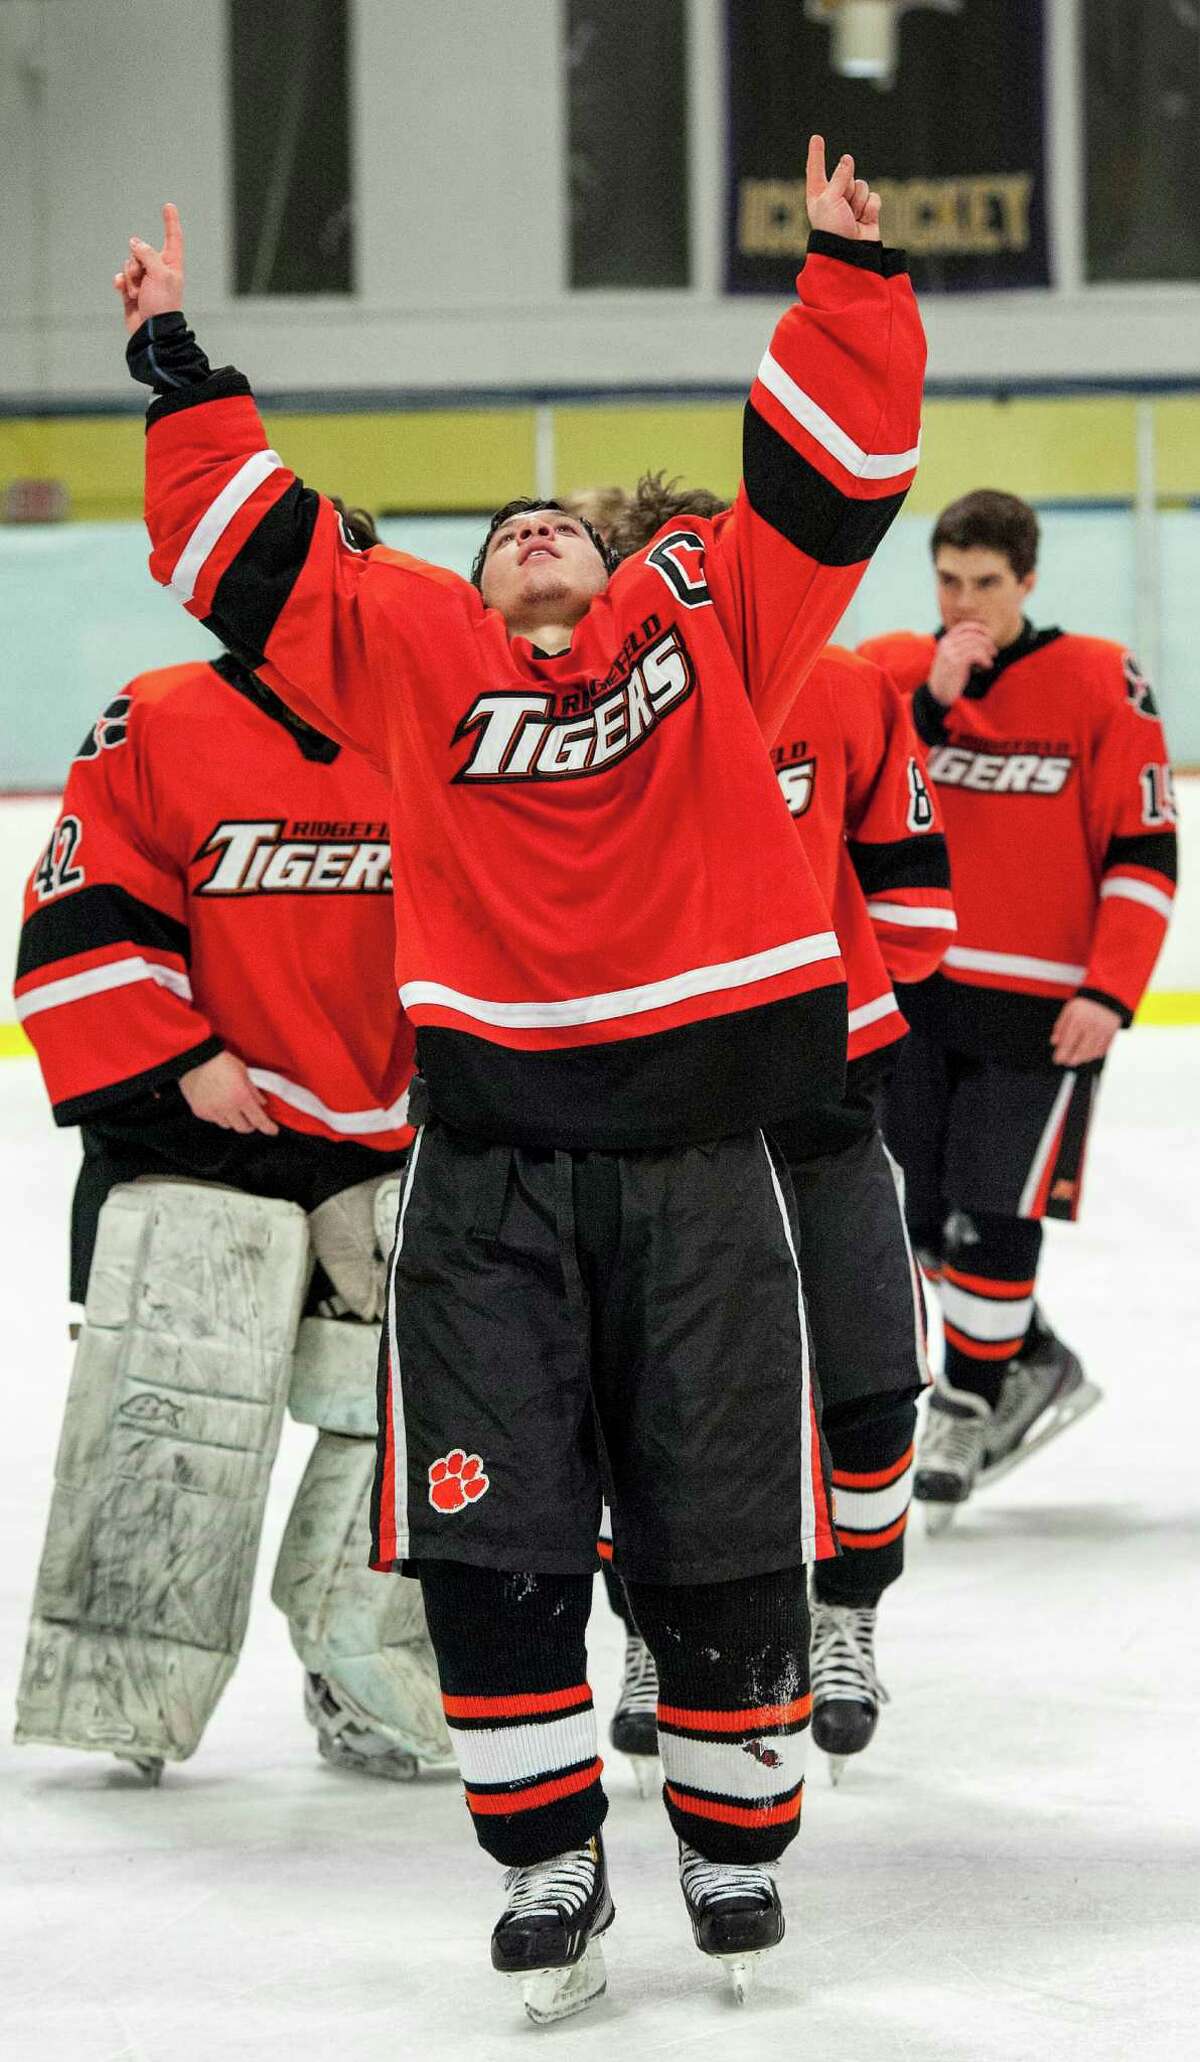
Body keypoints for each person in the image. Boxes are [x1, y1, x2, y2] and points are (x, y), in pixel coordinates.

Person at [114, 137, 925, 2019]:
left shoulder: (706, 626)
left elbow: (826, 491)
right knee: (495, 1532)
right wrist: (179, 368)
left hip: (704, 1166)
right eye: (506, 531)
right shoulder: (412, 654)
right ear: (471, 583)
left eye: (561, 522)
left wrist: (847, 281)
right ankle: (549, 1857)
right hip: (492, 1177)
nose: (535, 532)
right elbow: (244, 547)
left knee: (725, 1523)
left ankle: (734, 1844)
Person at [14, 581, 452, 1785]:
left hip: (377, 1145)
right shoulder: (156, 718)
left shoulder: (432, 728)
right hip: (193, 1133)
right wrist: (183, 1054)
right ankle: (123, 1692)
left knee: (393, 1418)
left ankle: (360, 1666)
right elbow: (78, 907)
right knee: (172, 1426)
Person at [600, 474, 955, 1783]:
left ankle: (846, 1612)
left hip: (817, 1095)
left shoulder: (853, 689)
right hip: (653, 1110)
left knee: (870, 1380)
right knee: (642, 1400)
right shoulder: (572, 717)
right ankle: (646, 1630)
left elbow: (913, 901)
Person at [860, 490, 1177, 1523]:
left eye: (985, 583)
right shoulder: (895, 669)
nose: (964, 601)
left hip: (1041, 1007)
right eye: (948, 579)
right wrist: (930, 705)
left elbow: (1143, 849)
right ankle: (1028, 1358)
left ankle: (968, 1397)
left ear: (1027, 580)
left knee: (993, 1210)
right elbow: (854, 799)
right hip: (913, 992)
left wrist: (1111, 990)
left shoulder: (1097, 678)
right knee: (911, 1215)